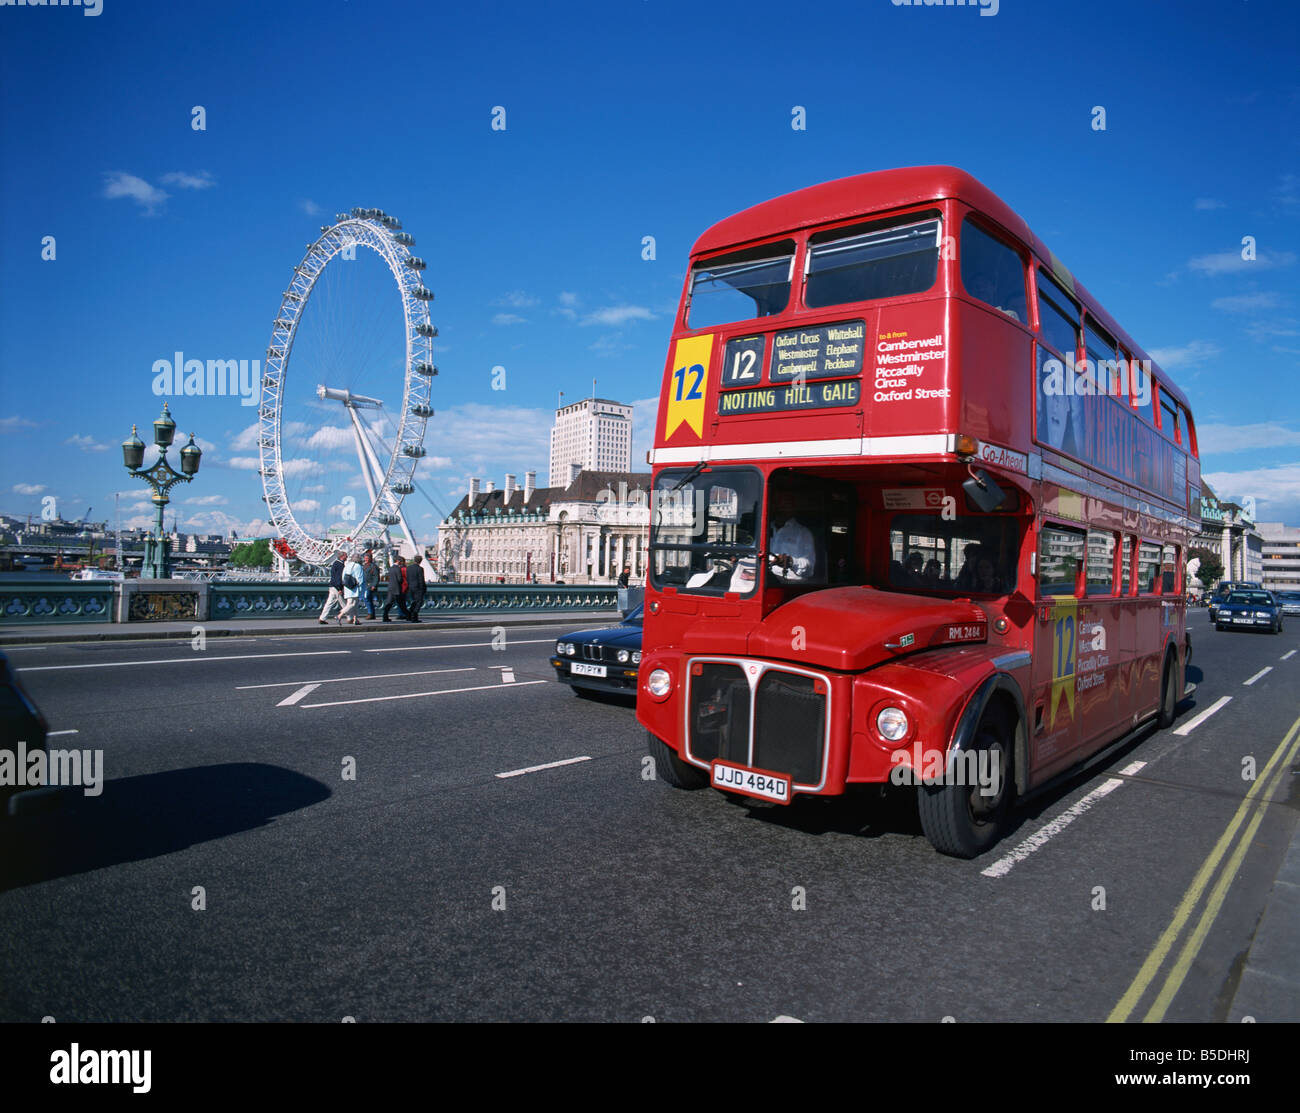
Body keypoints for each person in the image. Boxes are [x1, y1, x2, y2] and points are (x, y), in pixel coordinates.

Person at [768, 516, 820, 582]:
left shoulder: (803, 532)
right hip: (759, 580)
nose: (781, 507)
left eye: (785, 505)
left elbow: (810, 569)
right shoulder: (760, 528)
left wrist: (791, 561)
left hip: (790, 583)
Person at [319, 550, 346, 624]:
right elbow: (338, 577)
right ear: (342, 556)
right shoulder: (340, 565)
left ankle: (322, 618)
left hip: (332, 585)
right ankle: (351, 617)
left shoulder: (335, 563)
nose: (347, 557)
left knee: (329, 603)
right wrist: (339, 588)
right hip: (337, 587)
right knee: (344, 604)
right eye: (345, 556)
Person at [338, 551, 364, 625]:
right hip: (355, 588)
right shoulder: (358, 566)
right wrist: (361, 588)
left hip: (347, 587)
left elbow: (343, 577)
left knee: (354, 604)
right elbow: (360, 579)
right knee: (352, 604)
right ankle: (340, 615)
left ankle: (355, 620)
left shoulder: (347, 565)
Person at [383, 556, 407, 623]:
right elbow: (400, 579)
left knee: (389, 603)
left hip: (391, 587)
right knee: (401, 604)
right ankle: (409, 616)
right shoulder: (398, 569)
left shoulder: (391, 568)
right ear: (398, 561)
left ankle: (385, 616)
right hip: (397, 588)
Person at [406, 554, 426, 622]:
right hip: (418, 588)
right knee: (419, 602)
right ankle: (414, 616)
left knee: (414, 601)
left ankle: (409, 615)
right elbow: (421, 580)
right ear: (420, 561)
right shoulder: (420, 569)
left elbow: (407, 578)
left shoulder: (408, 568)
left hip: (410, 587)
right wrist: (423, 588)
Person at [362, 552, 379, 620]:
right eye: (365, 558)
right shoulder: (364, 566)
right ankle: (372, 613)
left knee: (367, 599)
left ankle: (370, 613)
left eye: (367, 558)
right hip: (365, 585)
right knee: (368, 599)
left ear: (370, 559)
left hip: (370, 585)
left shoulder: (373, 566)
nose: (366, 559)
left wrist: (374, 585)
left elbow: (376, 577)